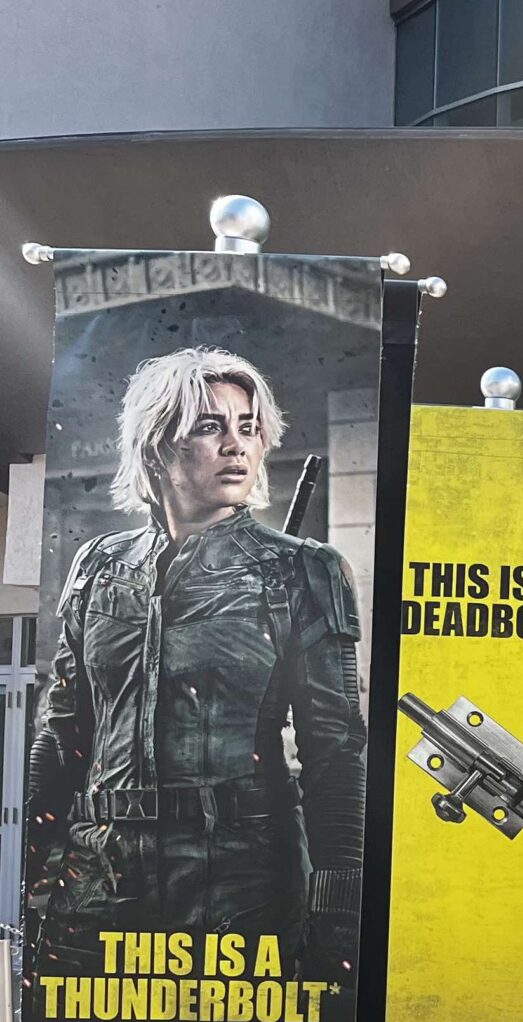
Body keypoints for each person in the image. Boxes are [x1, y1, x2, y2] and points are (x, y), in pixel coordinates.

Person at [25, 347, 365, 962]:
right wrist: (27, 871)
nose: (236, 444)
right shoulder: (99, 565)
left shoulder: (303, 571)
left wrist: (338, 913)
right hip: (97, 883)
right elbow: (63, 733)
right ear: (157, 445)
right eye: (211, 426)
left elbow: (336, 753)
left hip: (245, 885)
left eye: (248, 426)